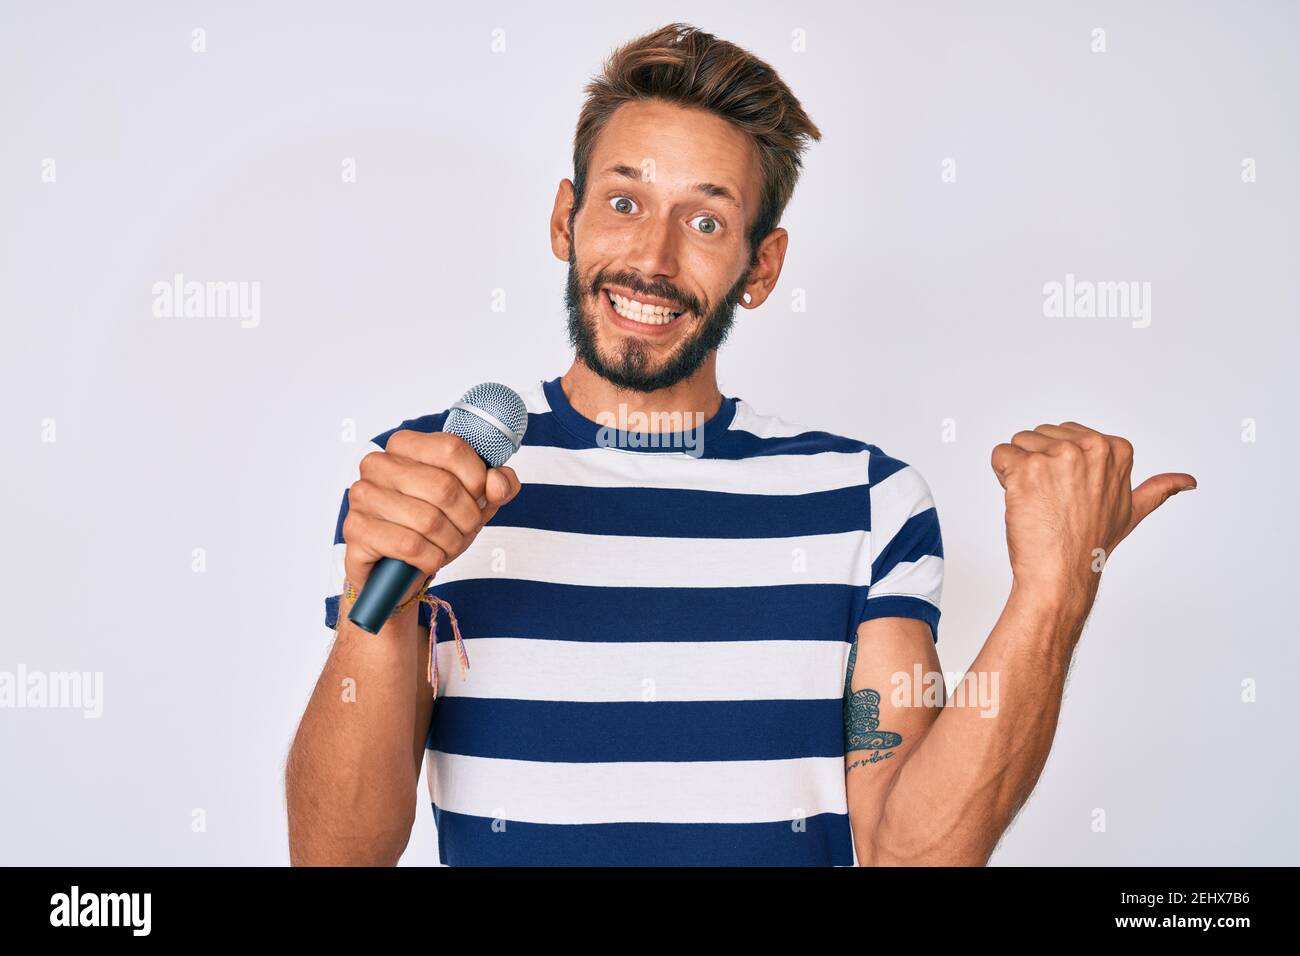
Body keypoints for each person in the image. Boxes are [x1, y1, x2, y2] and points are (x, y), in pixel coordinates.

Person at [285, 22, 1195, 866]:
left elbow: (909, 855)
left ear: (761, 267)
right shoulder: (429, 475)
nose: (653, 256)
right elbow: (339, 855)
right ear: (566, 219)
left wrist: (1054, 589)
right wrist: (382, 594)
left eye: (707, 220)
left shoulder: (866, 502)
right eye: (624, 201)